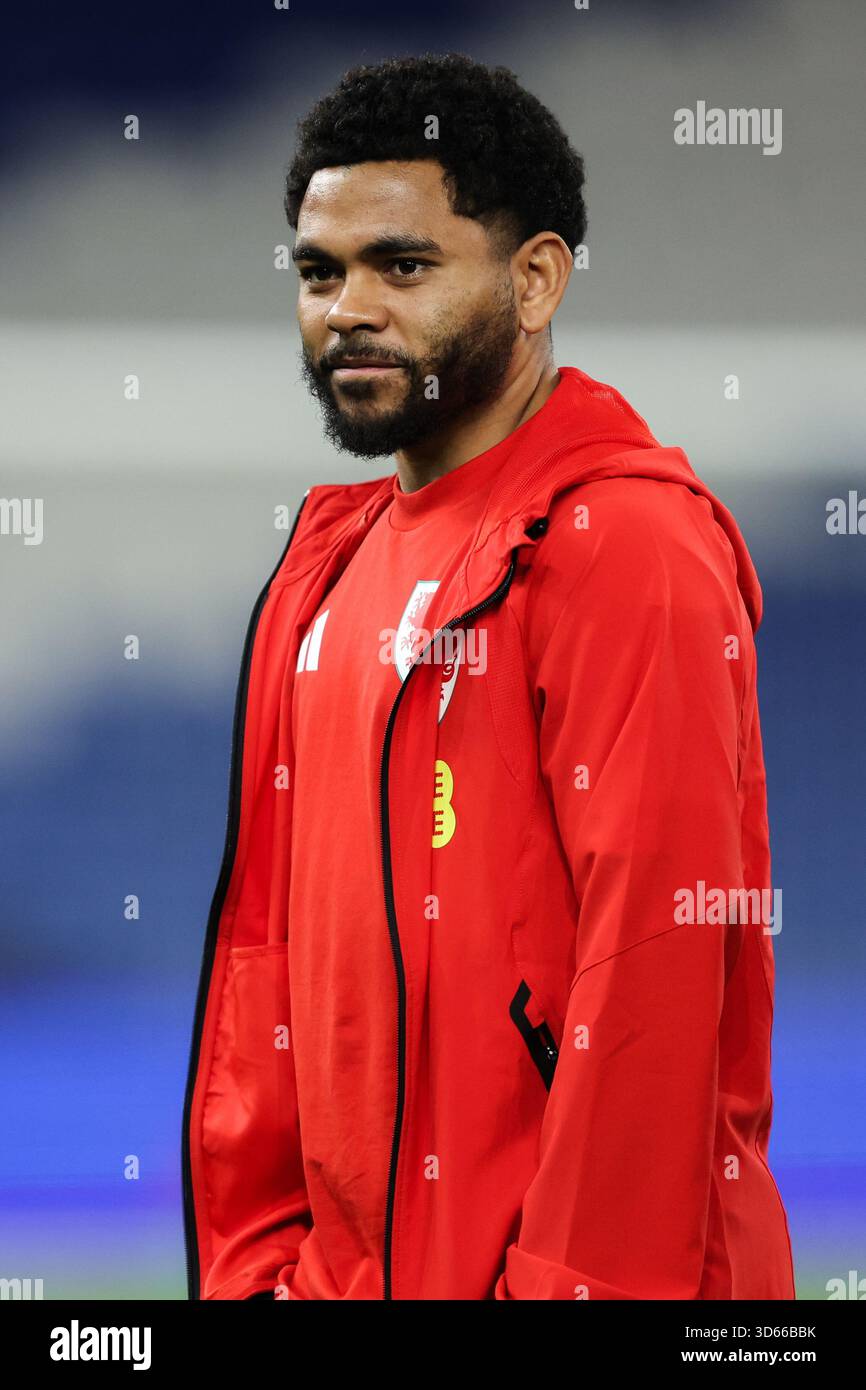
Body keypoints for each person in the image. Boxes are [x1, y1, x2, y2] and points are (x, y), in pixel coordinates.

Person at [182, 52, 796, 1300]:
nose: (347, 308)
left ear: (534, 280)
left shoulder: (623, 542)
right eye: (318, 271)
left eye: (401, 266)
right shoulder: (325, 569)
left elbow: (655, 991)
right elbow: (269, 978)